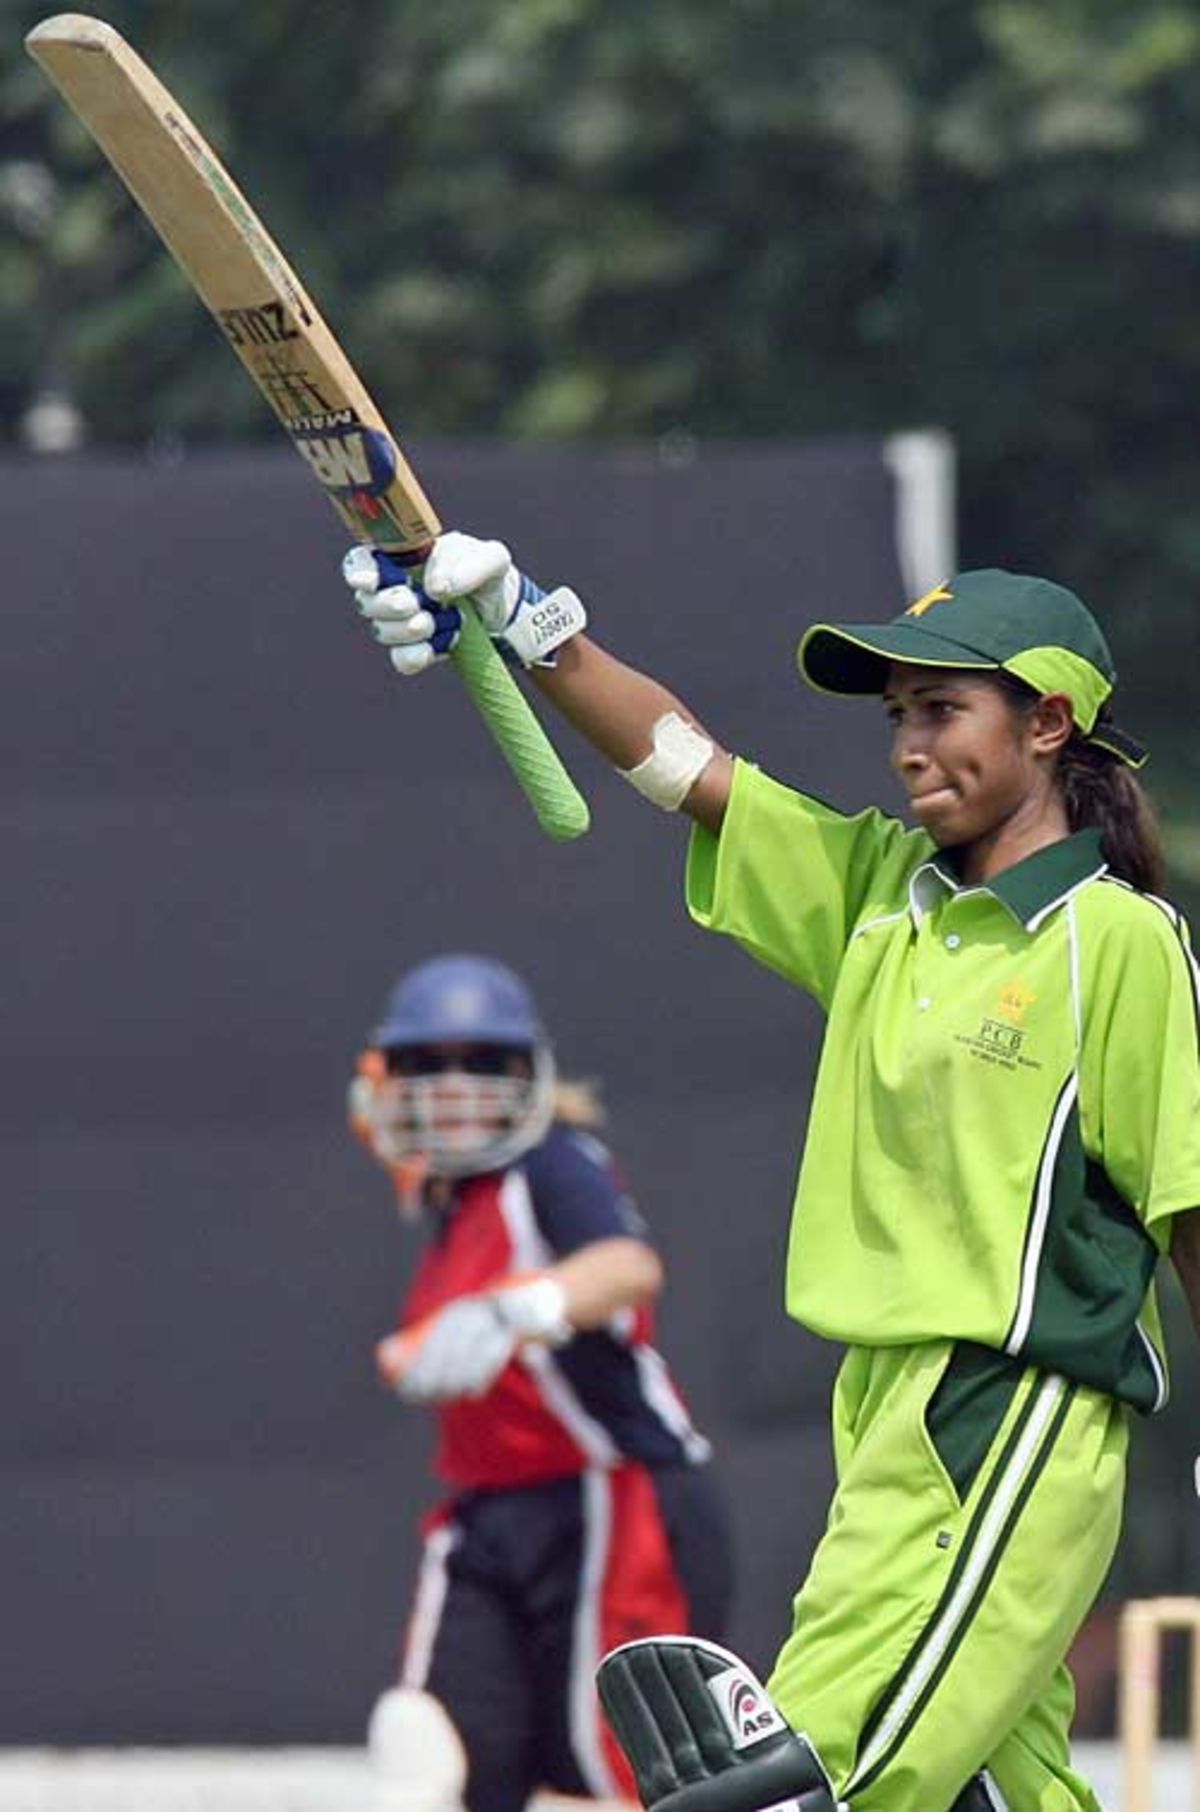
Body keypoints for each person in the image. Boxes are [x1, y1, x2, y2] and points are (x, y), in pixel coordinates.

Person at [341, 537, 1200, 1812]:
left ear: (1050, 723)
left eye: (945, 710)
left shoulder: (1115, 942)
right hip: (885, 1409)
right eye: (900, 715)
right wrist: (523, 622)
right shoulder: (878, 899)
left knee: (793, 1783)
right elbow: (682, 765)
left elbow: (1189, 1209)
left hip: (1011, 1405)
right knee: (996, 1794)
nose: (910, 744)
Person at [349, 951, 734, 1812]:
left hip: (611, 1502)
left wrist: (513, 1312)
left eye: (480, 1063)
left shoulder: (551, 1167)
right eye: (426, 1065)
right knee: (427, 1747)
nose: (453, 1088)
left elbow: (627, 1266)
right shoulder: (451, 1199)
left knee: (619, 1776)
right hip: (488, 1515)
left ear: (526, 1073)